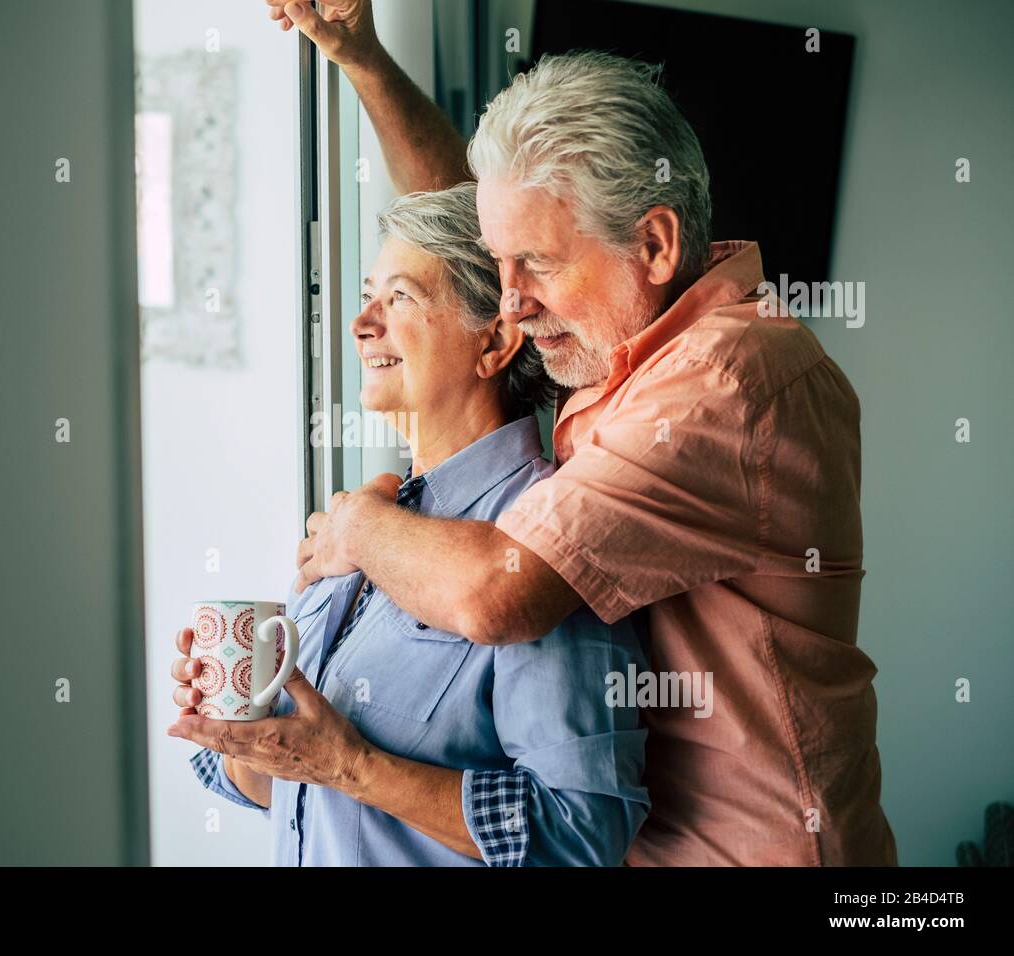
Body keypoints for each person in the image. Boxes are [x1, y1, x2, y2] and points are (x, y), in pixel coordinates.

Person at [271, 0, 896, 865]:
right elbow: (465, 233)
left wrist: (356, 526)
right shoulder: (627, 329)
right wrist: (365, 62)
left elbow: (500, 594)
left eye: (538, 267)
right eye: (503, 268)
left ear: (653, 244)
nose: (513, 300)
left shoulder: (722, 381)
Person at [168, 184, 651, 866]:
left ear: (497, 341)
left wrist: (353, 766)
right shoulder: (356, 525)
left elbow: (581, 830)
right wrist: (241, 730)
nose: (362, 323)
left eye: (399, 298)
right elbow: (296, 788)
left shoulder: (539, 539)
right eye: (370, 295)